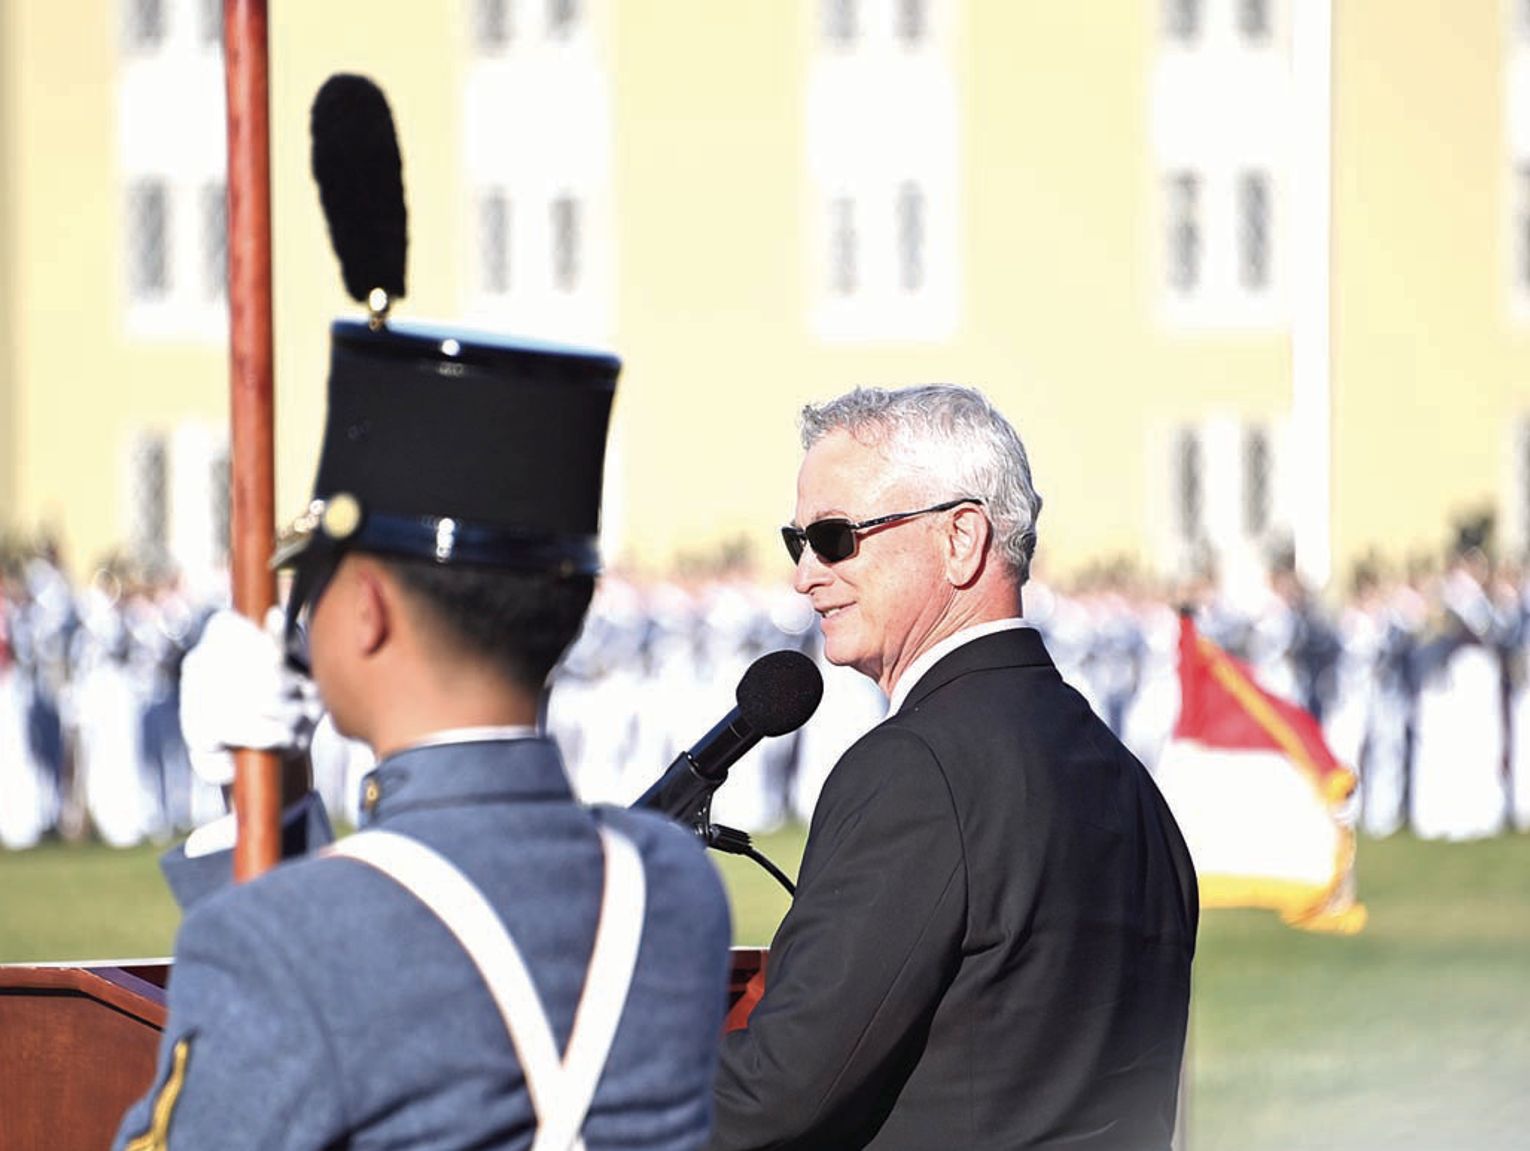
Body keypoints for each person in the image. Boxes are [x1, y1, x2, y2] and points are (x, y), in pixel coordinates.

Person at [114, 74, 731, 1151]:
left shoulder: (283, 943)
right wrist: (265, 807)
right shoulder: (668, 881)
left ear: (364, 611)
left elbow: (335, 966)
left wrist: (243, 822)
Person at [708, 385, 1199, 1151]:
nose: (805, 574)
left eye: (835, 536)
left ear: (961, 539)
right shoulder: (1129, 782)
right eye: (795, 540)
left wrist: (585, 1087)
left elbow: (775, 1095)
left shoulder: (915, 769)